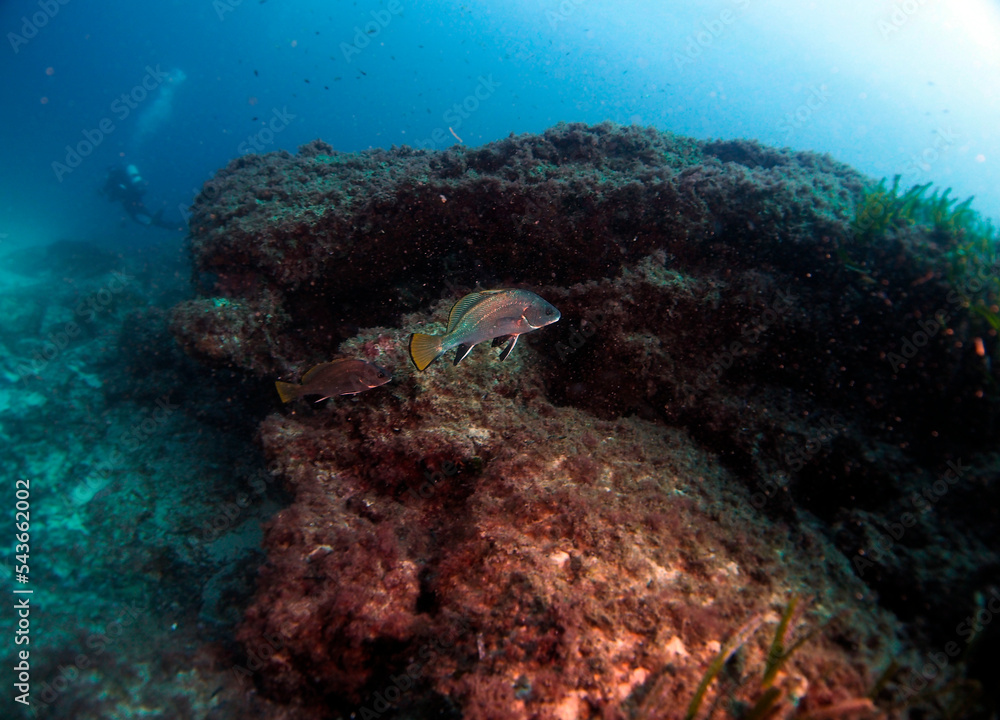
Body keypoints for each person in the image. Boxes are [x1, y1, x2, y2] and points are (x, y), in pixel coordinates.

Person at [101, 164, 180, 230]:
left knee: (136, 217)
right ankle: (170, 225)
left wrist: (109, 195)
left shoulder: (112, 178)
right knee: (144, 213)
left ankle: (166, 224)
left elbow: (110, 195)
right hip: (136, 196)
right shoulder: (123, 174)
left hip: (127, 201)